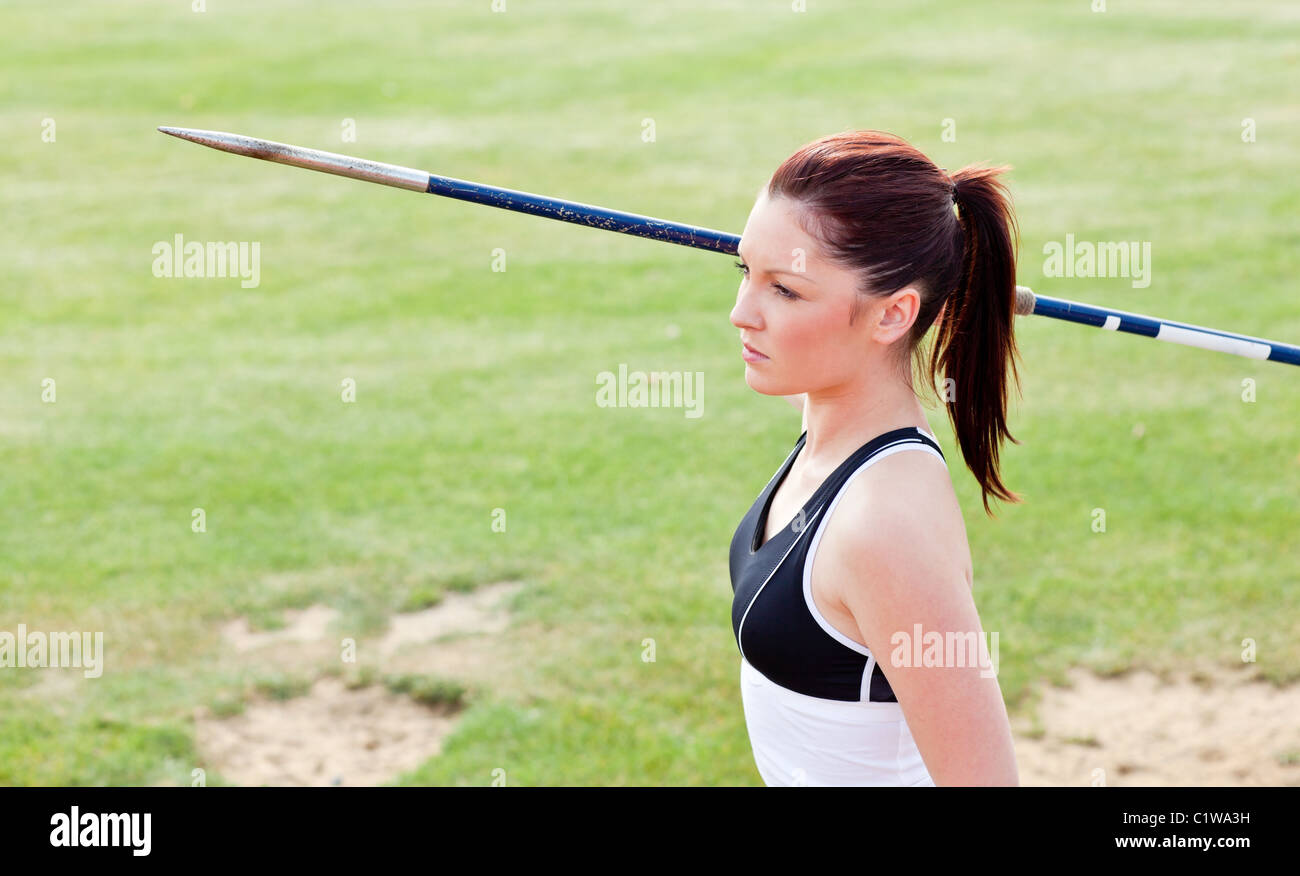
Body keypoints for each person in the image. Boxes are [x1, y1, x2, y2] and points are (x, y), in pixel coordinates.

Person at [728, 130, 1022, 786]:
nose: (741, 312)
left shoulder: (883, 529)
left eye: (786, 291)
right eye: (746, 271)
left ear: (893, 317)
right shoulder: (837, 428)